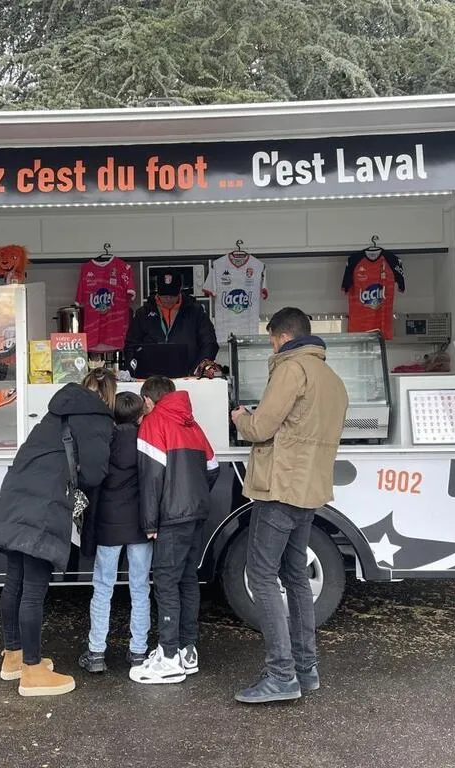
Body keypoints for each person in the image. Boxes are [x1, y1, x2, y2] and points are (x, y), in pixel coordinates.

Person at [230, 307, 349, 704]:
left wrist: (240, 418)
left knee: (262, 575)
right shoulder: (331, 378)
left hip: (280, 488)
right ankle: (305, 667)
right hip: (310, 489)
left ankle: (281, 675)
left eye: (271, 339)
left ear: (280, 337)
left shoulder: (291, 369)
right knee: (295, 575)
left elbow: (262, 427)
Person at [0, 367, 116, 697]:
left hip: (14, 497)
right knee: (34, 589)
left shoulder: (55, 413)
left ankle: (14, 656)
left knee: (15, 580)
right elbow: (95, 475)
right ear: (108, 396)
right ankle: (33, 671)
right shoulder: (99, 420)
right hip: (45, 506)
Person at [129, 375, 219, 684]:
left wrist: (150, 522)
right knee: (187, 580)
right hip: (196, 515)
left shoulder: (154, 422)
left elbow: (151, 478)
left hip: (170, 518)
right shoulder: (192, 424)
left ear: (149, 401)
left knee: (166, 582)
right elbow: (213, 467)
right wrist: (195, 497)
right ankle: (187, 650)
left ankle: (167, 658)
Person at [78, 391, 154, 673]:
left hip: (108, 526)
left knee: (102, 588)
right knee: (140, 588)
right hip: (140, 525)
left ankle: (96, 652)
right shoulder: (147, 441)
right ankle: (138, 652)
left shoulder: (103, 443)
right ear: (139, 414)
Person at [123, 269, 219, 376]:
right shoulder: (143, 314)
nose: (168, 299)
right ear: (157, 291)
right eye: (164, 295)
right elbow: (131, 345)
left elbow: (209, 343)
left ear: (179, 291)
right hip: (150, 379)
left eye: (172, 295)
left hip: (189, 376)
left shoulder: (196, 312)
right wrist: (132, 371)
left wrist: (198, 369)